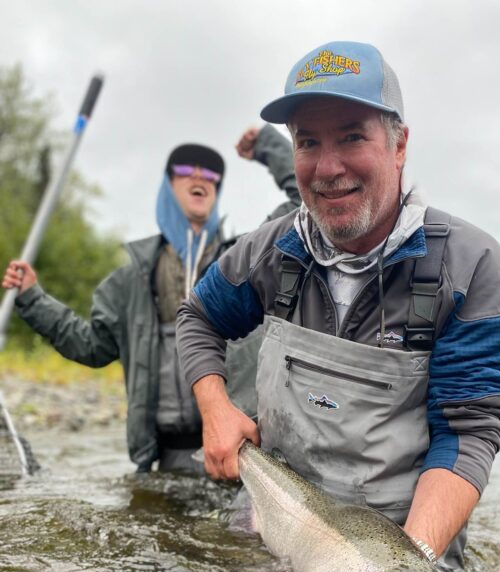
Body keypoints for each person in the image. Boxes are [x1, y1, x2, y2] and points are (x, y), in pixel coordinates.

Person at [176, 41, 500, 571]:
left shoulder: (471, 267)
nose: (328, 166)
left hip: (404, 540)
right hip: (274, 520)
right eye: (309, 142)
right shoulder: (269, 250)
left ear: (400, 143)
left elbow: (467, 434)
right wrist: (215, 408)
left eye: (352, 137)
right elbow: (198, 317)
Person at [2, 124, 299, 472]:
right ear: (168, 185)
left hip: (239, 448)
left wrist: (268, 145)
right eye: (186, 170)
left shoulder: (247, 260)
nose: (200, 177)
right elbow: (91, 346)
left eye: (212, 174)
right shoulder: (131, 280)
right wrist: (33, 300)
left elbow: (303, 203)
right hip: (166, 457)